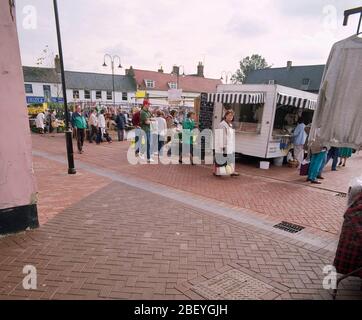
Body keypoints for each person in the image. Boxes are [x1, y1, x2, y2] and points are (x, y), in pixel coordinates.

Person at [214, 110, 240, 177]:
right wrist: (222, 145)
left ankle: (232, 171)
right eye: (229, 115)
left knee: (230, 158)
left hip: (229, 144)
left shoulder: (230, 124)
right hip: (223, 144)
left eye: (232, 116)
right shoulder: (222, 124)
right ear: (225, 116)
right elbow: (221, 135)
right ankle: (218, 172)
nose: (231, 117)